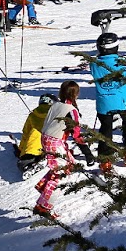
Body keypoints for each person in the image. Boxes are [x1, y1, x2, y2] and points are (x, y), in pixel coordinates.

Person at [34, 81, 94, 222]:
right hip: (55, 141)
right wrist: (87, 152)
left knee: (64, 167)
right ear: (76, 94)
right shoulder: (70, 110)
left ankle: (44, 188)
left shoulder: (55, 104)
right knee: (62, 174)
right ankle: (44, 206)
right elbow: (77, 134)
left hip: (47, 139)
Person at [86, 32, 126, 169]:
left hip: (104, 103)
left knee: (105, 129)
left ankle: (105, 158)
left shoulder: (94, 64)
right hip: (123, 101)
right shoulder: (121, 63)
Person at [15, 93, 56, 175]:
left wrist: (20, 149)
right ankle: (43, 160)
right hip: (47, 147)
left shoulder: (32, 115)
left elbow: (25, 134)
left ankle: (28, 164)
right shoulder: (54, 114)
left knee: (34, 133)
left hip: (29, 150)